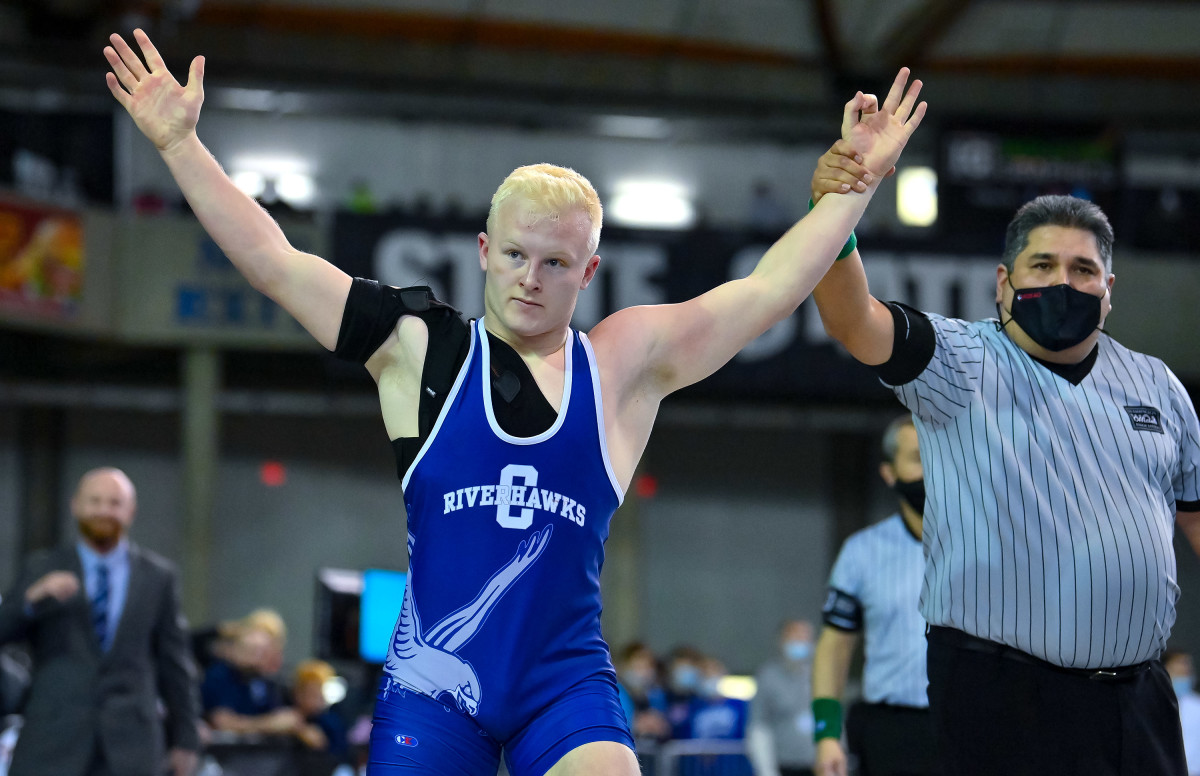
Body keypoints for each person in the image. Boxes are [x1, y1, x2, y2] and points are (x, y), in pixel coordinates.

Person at [102, 28, 925, 776]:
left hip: (560, 683)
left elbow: (769, 290)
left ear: (590, 272)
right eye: (519, 256)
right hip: (433, 685)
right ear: (485, 252)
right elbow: (276, 262)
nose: (533, 279)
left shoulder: (623, 364)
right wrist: (180, 146)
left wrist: (857, 187)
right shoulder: (415, 347)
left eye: (558, 264)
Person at [809, 141, 1200, 775]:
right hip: (1003, 692)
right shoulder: (955, 361)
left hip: (1137, 694)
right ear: (1004, 282)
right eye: (1042, 265)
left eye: (1082, 270)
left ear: (1108, 289)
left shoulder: (1158, 385)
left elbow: (1194, 517)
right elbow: (853, 319)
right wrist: (835, 206)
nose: (1063, 282)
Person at [0, 467, 200, 776]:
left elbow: (175, 663)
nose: (104, 510)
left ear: (131, 511)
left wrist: (187, 740)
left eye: (114, 503)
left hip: (132, 746)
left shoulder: (158, 577)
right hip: (52, 741)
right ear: (75, 506)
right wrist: (30, 600)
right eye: (95, 501)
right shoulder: (41, 567)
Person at [810, 416, 937, 776]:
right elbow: (834, 647)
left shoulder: (992, 543)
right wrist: (826, 733)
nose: (932, 467)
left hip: (974, 725)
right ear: (889, 473)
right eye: (917, 457)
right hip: (893, 732)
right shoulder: (862, 552)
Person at [746, 619, 816, 776]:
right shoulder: (767, 676)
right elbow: (758, 726)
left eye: (805, 637)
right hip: (784, 764)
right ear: (782, 640)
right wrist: (766, 770)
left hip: (817, 763)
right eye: (795, 637)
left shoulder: (818, 674)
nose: (800, 641)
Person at [1164, 650, 1200, 775]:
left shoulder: (1197, 706)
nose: (1186, 668)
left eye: (1188, 666)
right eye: (1178, 673)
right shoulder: (1150, 704)